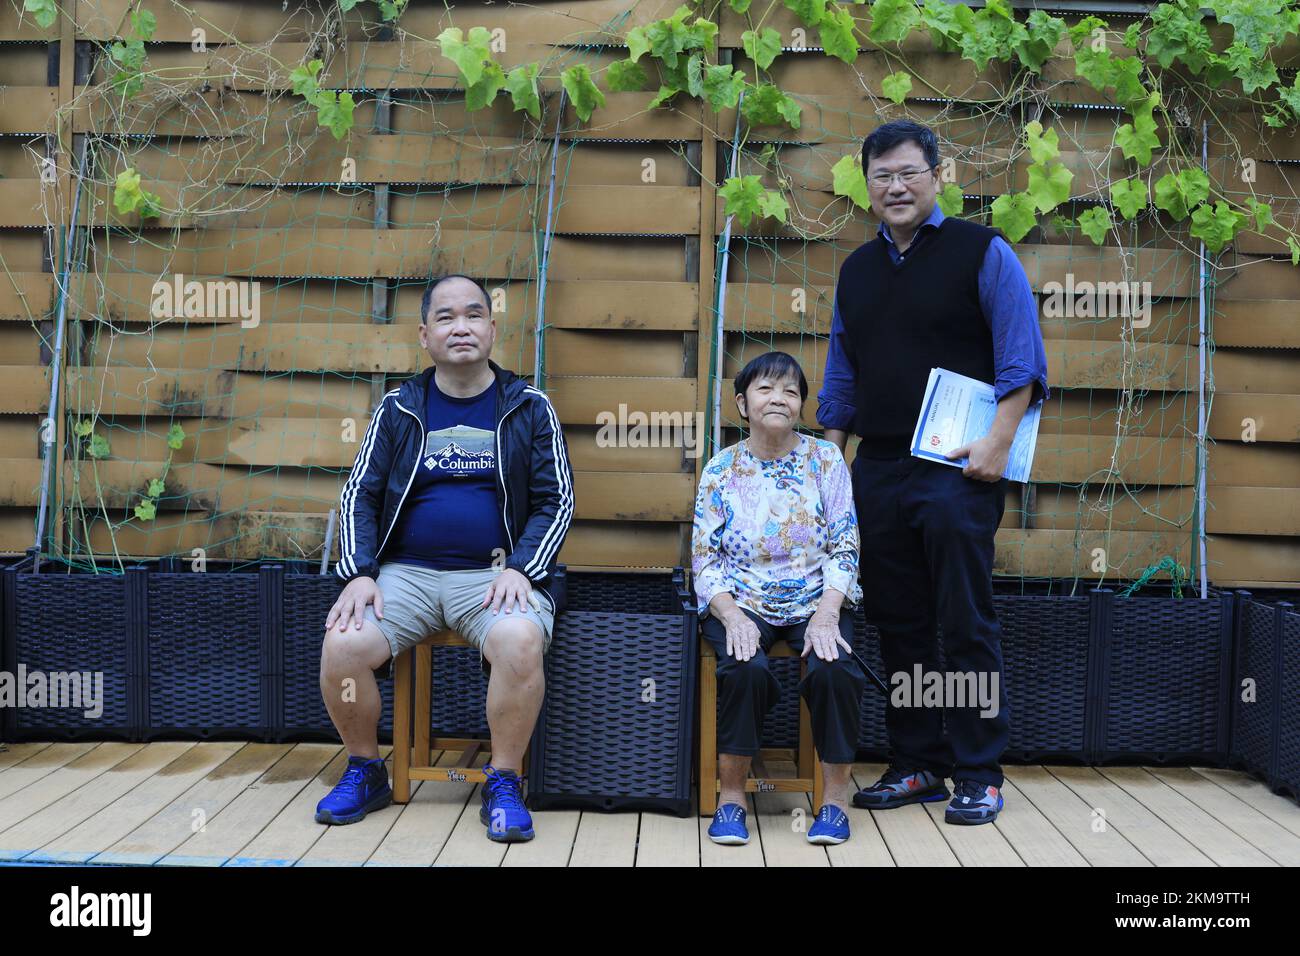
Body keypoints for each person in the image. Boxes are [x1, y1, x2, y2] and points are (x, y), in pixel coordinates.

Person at [819, 120, 1050, 825]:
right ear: (868, 185)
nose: (895, 186)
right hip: (878, 469)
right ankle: (920, 762)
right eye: (882, 174)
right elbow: (841, 374)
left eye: (909, 172)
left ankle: (979, 771)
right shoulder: (856, 270)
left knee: (965, 619)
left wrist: (997, 443)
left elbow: (1024, 360)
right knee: (900, 621)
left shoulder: (983, 251)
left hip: (958, 469)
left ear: (939, 176)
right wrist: (829, 462)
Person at [315, 274, 574, 843]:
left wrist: (521, 569)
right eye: (447, 317)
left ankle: (503, 780)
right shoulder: (398, 409)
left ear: (493, 329)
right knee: (343, 644)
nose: (462, 326)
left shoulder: (529, 408)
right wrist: (359, 573)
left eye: (474, 315)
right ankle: (365, 769)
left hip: (494, 574)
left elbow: (558, 499)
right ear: (425, 334)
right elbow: (359, 493)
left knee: (519, 640)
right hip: (404, 575)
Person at [692, 351, 866, 847]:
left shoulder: (825, 460)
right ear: (743, 403)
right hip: (741, 597)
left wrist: (829, 611)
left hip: (818, 598)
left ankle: (833, 803)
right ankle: (731, 799)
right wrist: (730, 615)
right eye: (766, 388)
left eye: (791, 391)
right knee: (745, 667)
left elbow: (846, 542)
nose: (779, 398)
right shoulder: (721, 469)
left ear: (801, 407)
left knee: (836, 670)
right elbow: (704, 557)